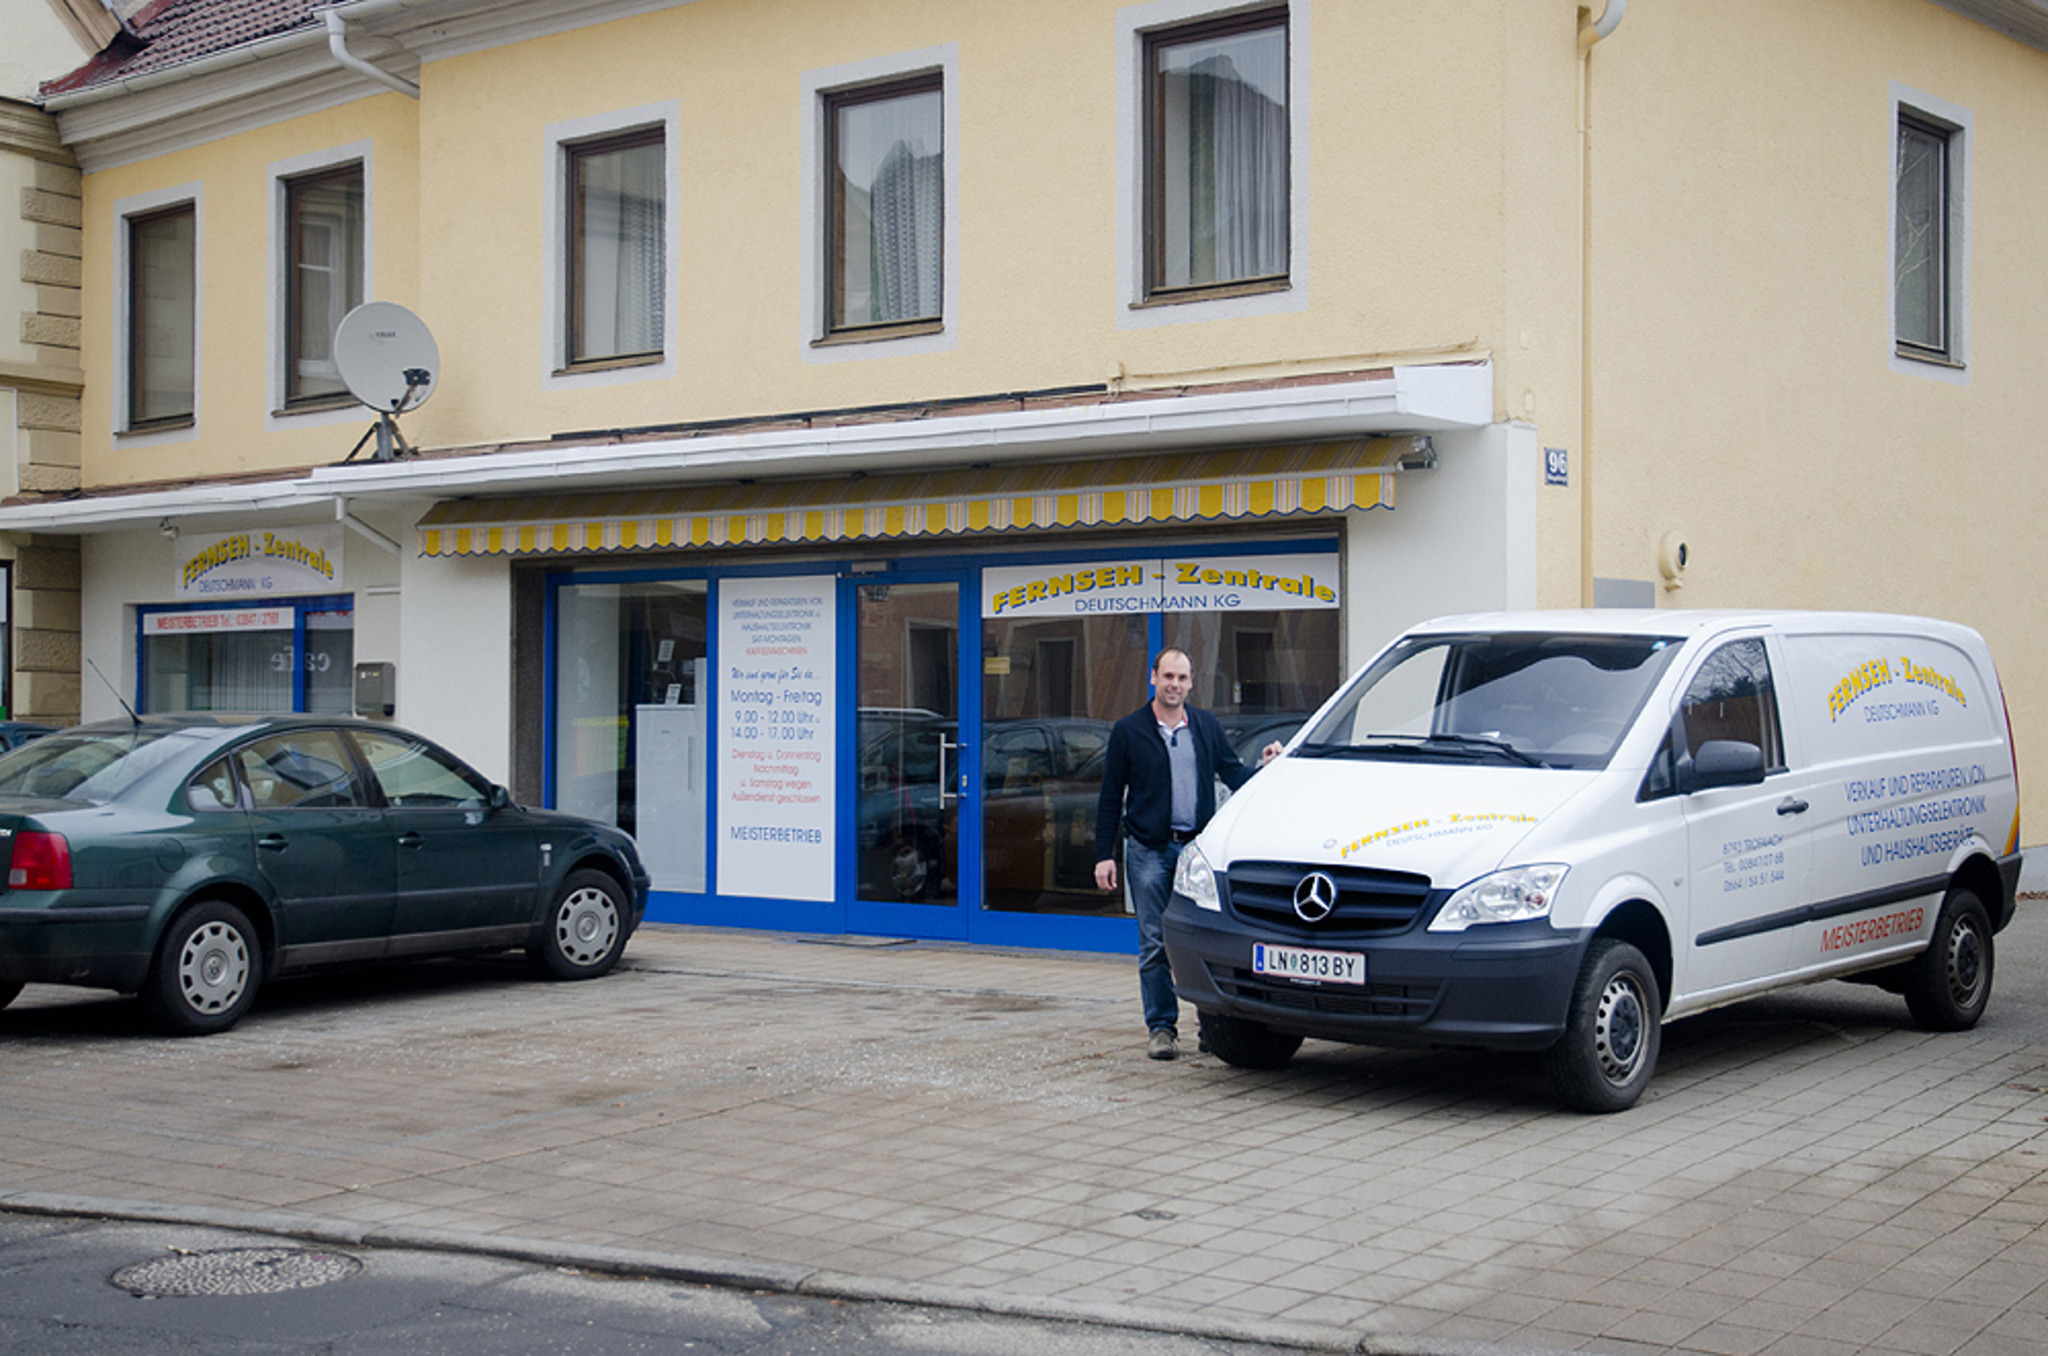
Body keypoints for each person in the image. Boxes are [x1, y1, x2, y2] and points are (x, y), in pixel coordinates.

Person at [1095, 648, 1282, 1061]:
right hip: (1148, 851)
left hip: (1195, 853)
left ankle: (1211, 1029)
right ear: (1153, 678)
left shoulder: (1205, 726)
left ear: (1191, 683)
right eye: (1168, 677)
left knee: (1205, 939)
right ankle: (1161, 1029)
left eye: (1182, 678)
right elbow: (1110, 796)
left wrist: (1265, 769)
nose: (1174, 685)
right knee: (1154, 943)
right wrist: (1103, 854)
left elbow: (1233, 774)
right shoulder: (1129, 730)